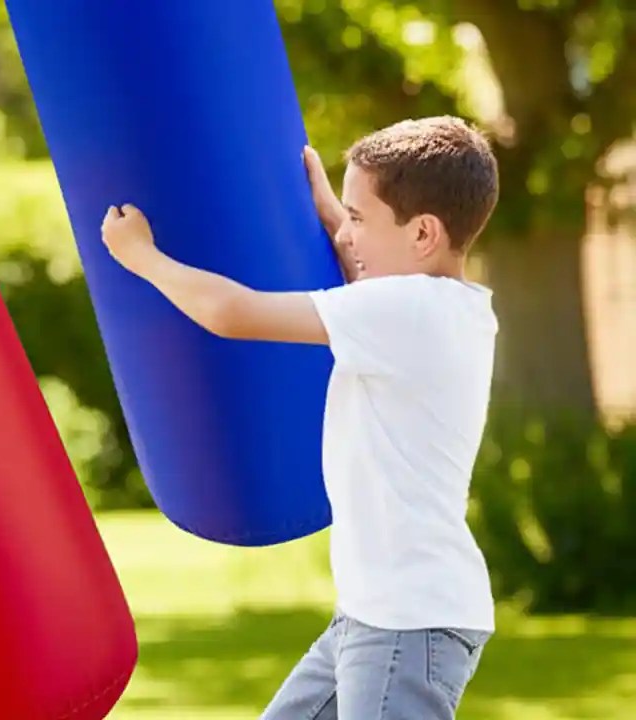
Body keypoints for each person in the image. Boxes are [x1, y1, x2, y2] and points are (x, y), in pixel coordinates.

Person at [99, 115, 499, 719]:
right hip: (378, 614)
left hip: (404, 625)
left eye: (361, 220)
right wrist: (338, 211)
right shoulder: (442, 306)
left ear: (422, 234)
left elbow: (234, 313)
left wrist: (143, 258)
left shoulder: (406, 310)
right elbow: (370, 270)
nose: (349, 236)